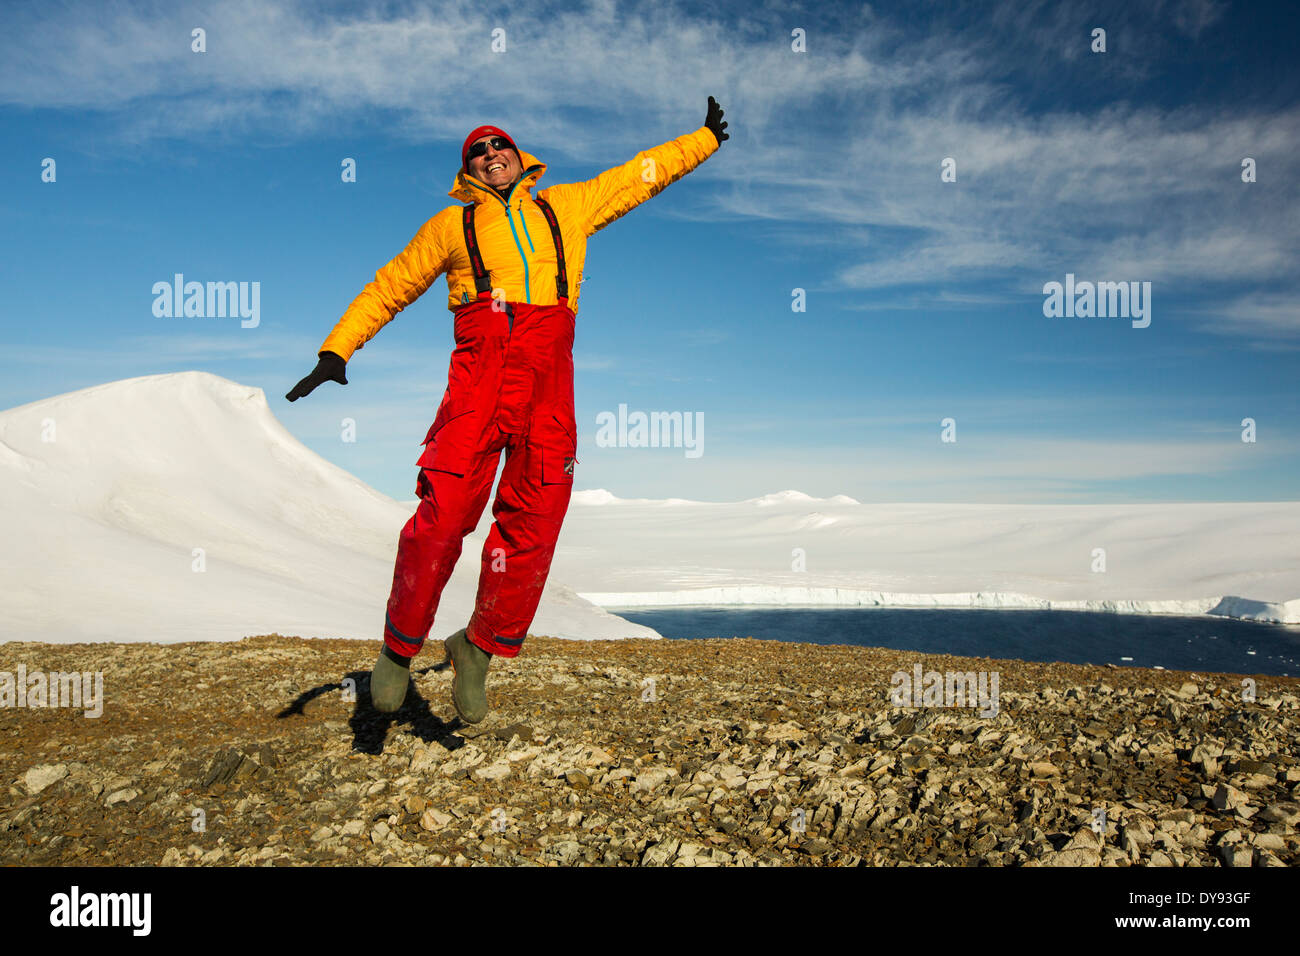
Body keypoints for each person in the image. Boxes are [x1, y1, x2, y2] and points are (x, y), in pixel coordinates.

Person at [287, 97, 729, 723]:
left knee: (536, 517)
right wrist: (337, 349)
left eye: (501, 145)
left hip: (549, 380)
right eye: (478, 150)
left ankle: (477, 649)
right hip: (479, 380)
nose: (491, 153)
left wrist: (703, 141)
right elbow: (389, 286)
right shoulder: (450, 226)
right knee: (442, 515)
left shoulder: (567, 206)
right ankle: (397, 650)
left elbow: (639, 176)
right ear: (467, 170)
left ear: (522, 158)